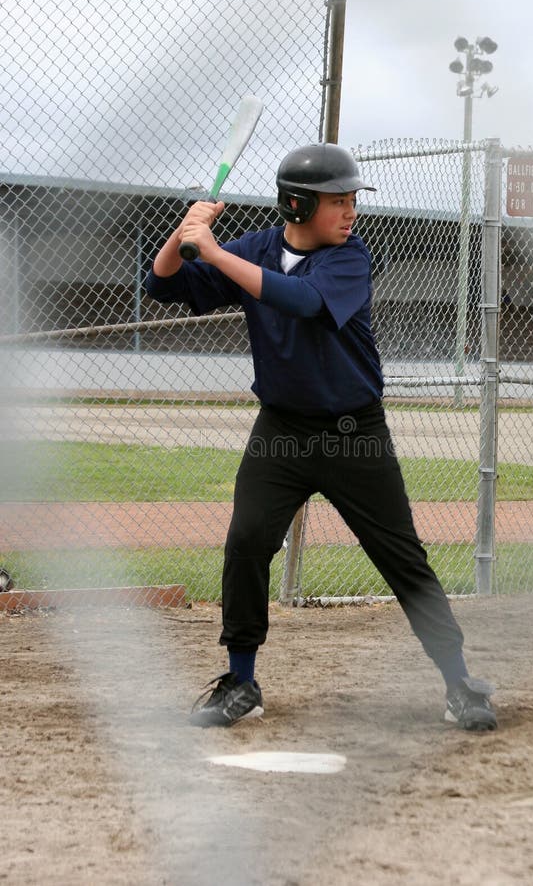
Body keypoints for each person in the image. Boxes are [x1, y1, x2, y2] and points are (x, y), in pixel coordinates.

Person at [145, 143, 497, 732]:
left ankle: (460, 683)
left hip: (352, 433)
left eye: (351, 199)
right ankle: (241, 681)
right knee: (246, 543)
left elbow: (303, 301)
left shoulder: (350, 259)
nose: (350, 211)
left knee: (402, 560)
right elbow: (162, 287)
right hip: (281, 431)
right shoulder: (256, 249)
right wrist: (184, 235)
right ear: (297, 203)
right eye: (337, 201)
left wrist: (213, 253)